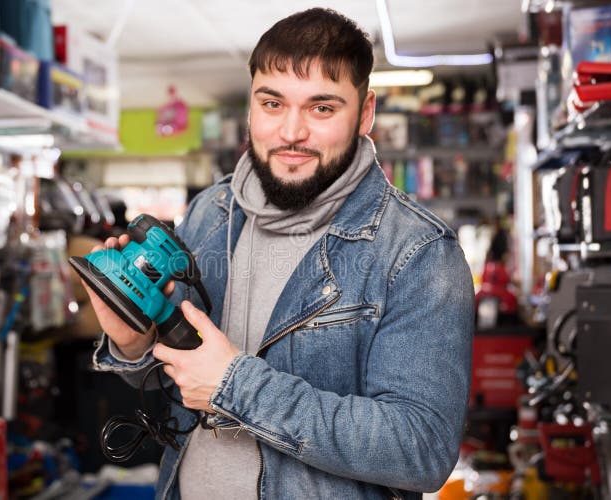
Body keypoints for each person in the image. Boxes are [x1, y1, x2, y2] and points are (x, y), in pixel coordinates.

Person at [84, 7, 474, 500]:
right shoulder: (212, 212)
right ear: (251, 105)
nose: (291, 132)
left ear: (366, 113)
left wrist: (236, 387)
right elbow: (180, 379)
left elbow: (420, 450)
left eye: (322, 108)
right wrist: (134, 344)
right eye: (272, 104)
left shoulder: (417, 255)